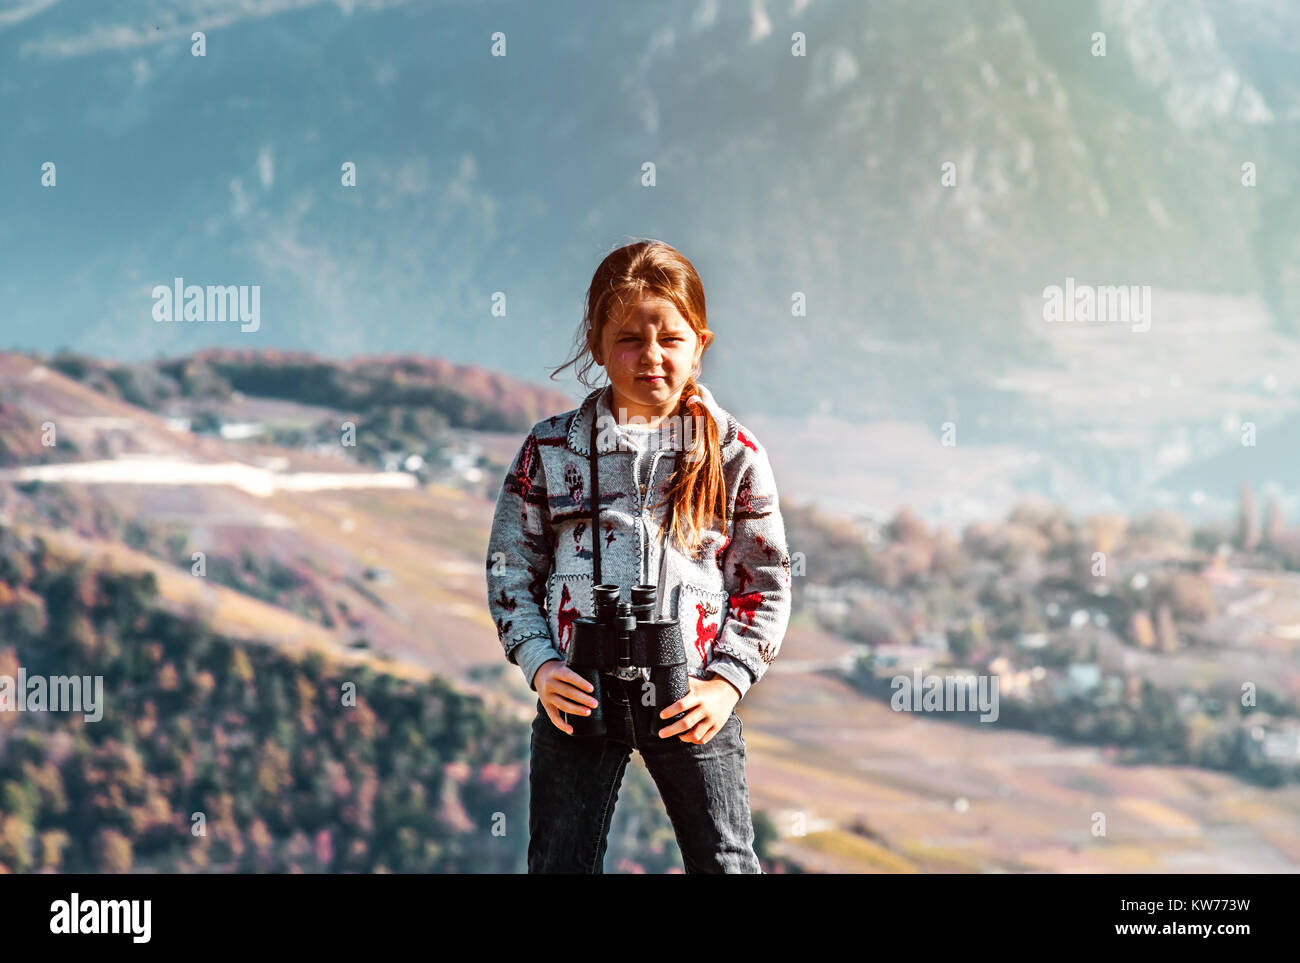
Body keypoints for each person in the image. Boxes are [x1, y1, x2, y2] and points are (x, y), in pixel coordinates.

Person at [485, 239, 792, 873]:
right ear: (595, 344)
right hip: (578, 691)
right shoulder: (550, 449)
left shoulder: (734, 453)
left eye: (670, 338)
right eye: (627, 338)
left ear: (700, 343)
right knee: (558, 864)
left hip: (691, 698)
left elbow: (765, 583)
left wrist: (726, 685)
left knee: (726, 863)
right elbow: (510, 568)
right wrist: (542, 668)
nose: (650, 356)